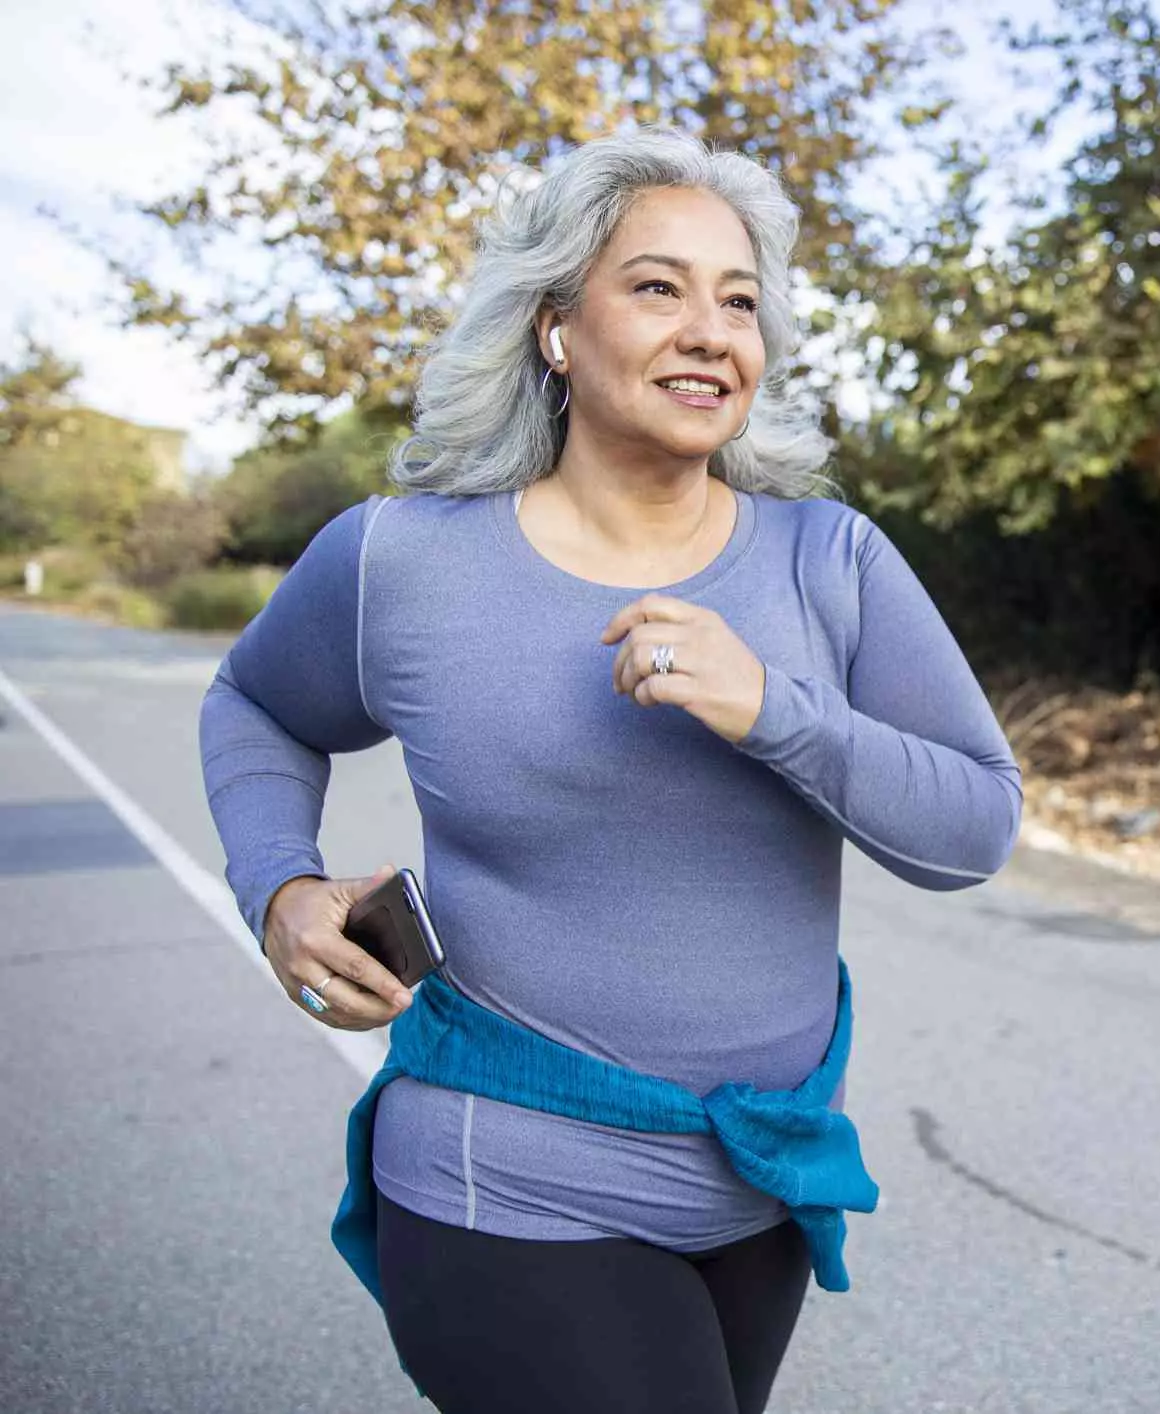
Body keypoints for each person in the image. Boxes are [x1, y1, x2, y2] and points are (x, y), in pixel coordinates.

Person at [198, 127, 1023, 1414]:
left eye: (739, 300)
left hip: (761, 1189)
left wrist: (776, 711)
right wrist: (280, 887)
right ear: (553, 329)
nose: (711, 329)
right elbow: (255, 700)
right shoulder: (404, 562)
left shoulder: (832, 561)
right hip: (505, 1175)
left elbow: (976, 824)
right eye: (657, 287)